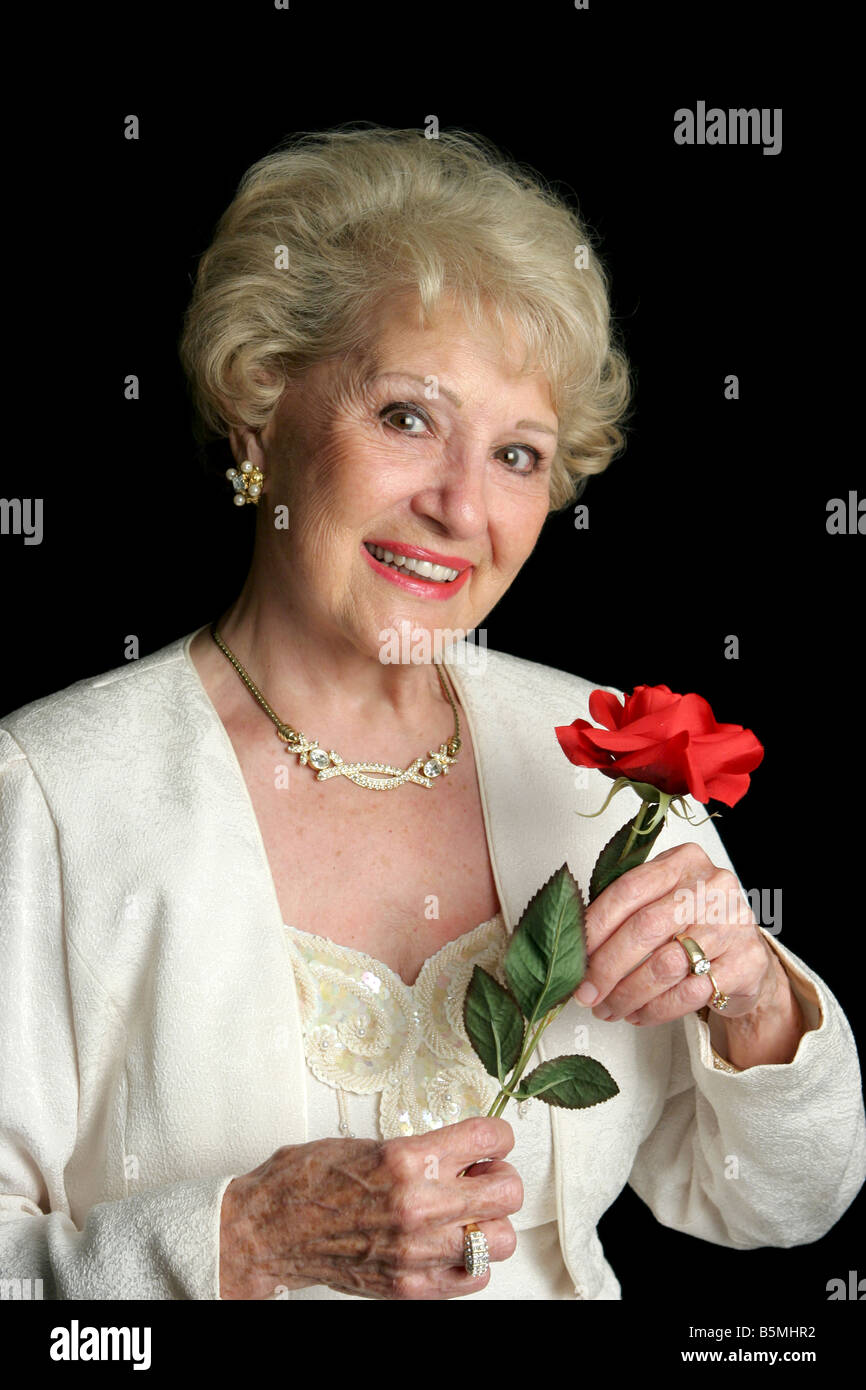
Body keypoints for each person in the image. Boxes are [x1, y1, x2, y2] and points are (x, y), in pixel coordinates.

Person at [1, 126, 864, 1301]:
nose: (461, 504)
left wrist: (755, 998)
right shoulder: (53, 791)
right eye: (407, 416)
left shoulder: (604, 763)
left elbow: (771, 1201)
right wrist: (236, 1244)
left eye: (517, 453)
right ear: (259, 410)